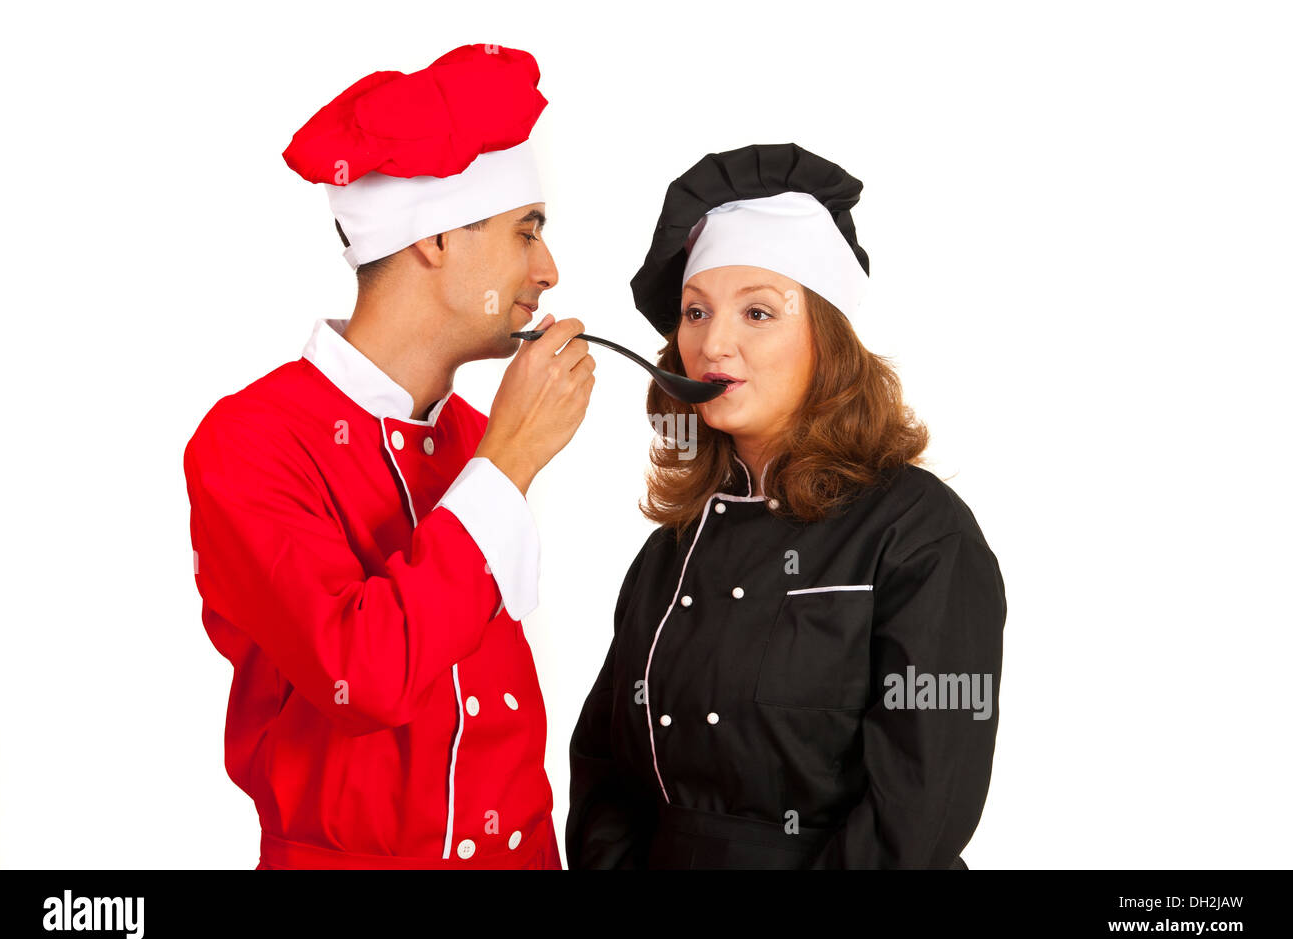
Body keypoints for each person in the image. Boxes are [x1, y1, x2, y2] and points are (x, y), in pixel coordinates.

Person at [183, 43, 595, 869]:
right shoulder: (250, 441)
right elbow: (362, 674)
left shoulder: (474, 437)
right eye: (527, 232)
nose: (548, 270)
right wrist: (508, 465)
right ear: (437, 239)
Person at [566, 143, 1006, 868]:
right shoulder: (671, 548)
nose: (715, 343)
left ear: (825, 339)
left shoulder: (922, 537)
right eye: (696, 312)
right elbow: (605, 774)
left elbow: (922, 811)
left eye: (759, 313)